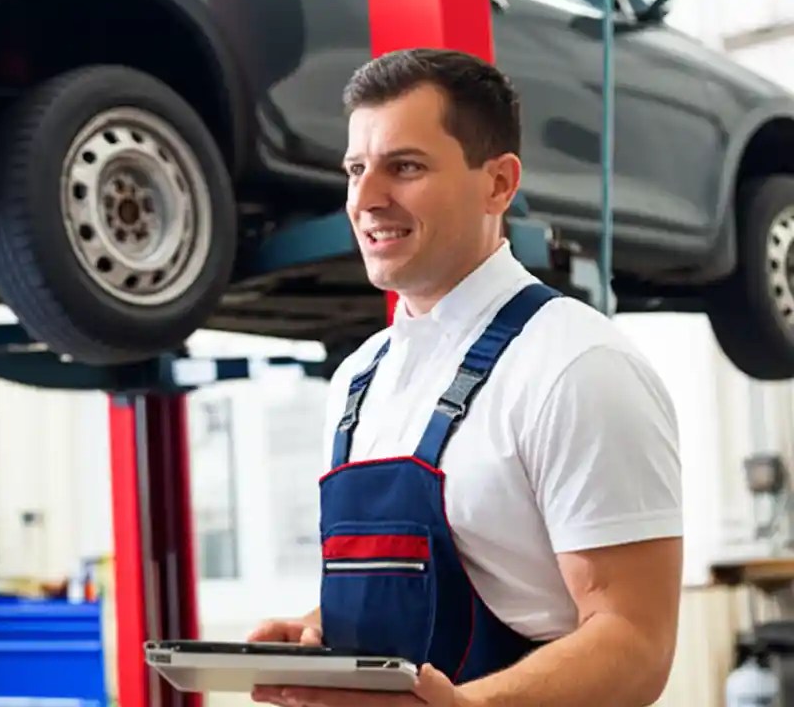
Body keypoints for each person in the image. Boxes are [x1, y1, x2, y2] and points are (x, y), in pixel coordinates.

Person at [248, 48, 683, 707]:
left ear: (499, 184)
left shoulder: (577, 367)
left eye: (406, 167)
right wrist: (319, 634)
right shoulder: (358, 380)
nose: (366, 200)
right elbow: (421, 600)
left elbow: (635, 642)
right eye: (356, 170)